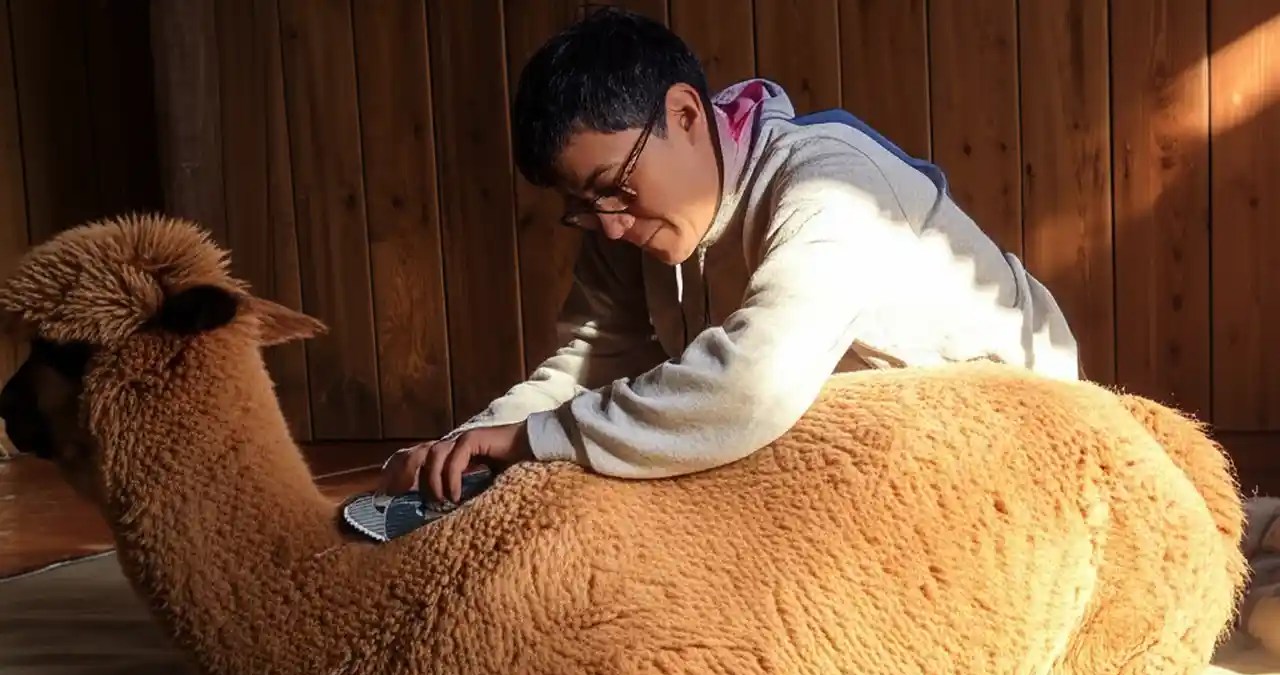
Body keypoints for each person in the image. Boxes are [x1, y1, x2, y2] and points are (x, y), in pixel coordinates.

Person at [381, 7, 1080, 506]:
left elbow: (752, 386)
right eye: (583, 207)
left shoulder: (831, 184)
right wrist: (472, 442)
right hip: (845, 443)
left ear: (686, 115)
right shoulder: (621, 222)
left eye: (615, 188)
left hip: (1011, 435)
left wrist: (533, 440)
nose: (611, 226)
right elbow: (589, 363)